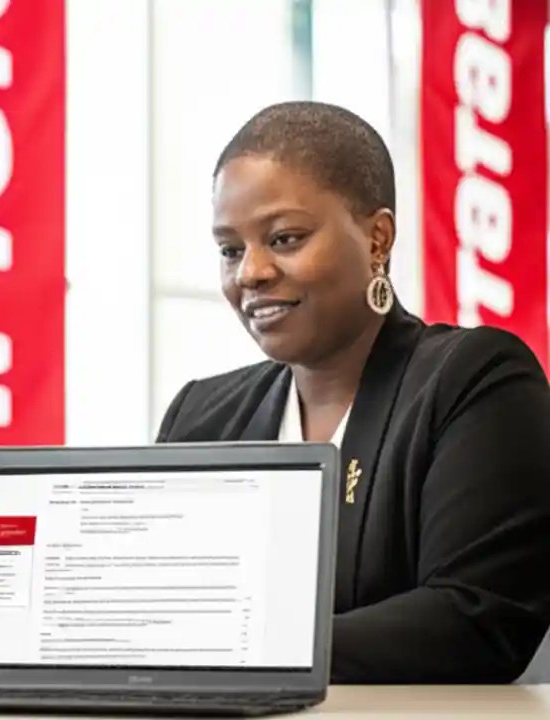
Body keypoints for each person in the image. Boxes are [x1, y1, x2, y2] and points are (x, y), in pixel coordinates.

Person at [157, 100, 550, 684]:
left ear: (377, 238)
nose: (250, 273)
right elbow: (151, 607)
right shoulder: (201, 416)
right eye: (230, 249)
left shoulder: (475, 380)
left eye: (285, 238)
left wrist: (240, 648)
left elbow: (474, 618)